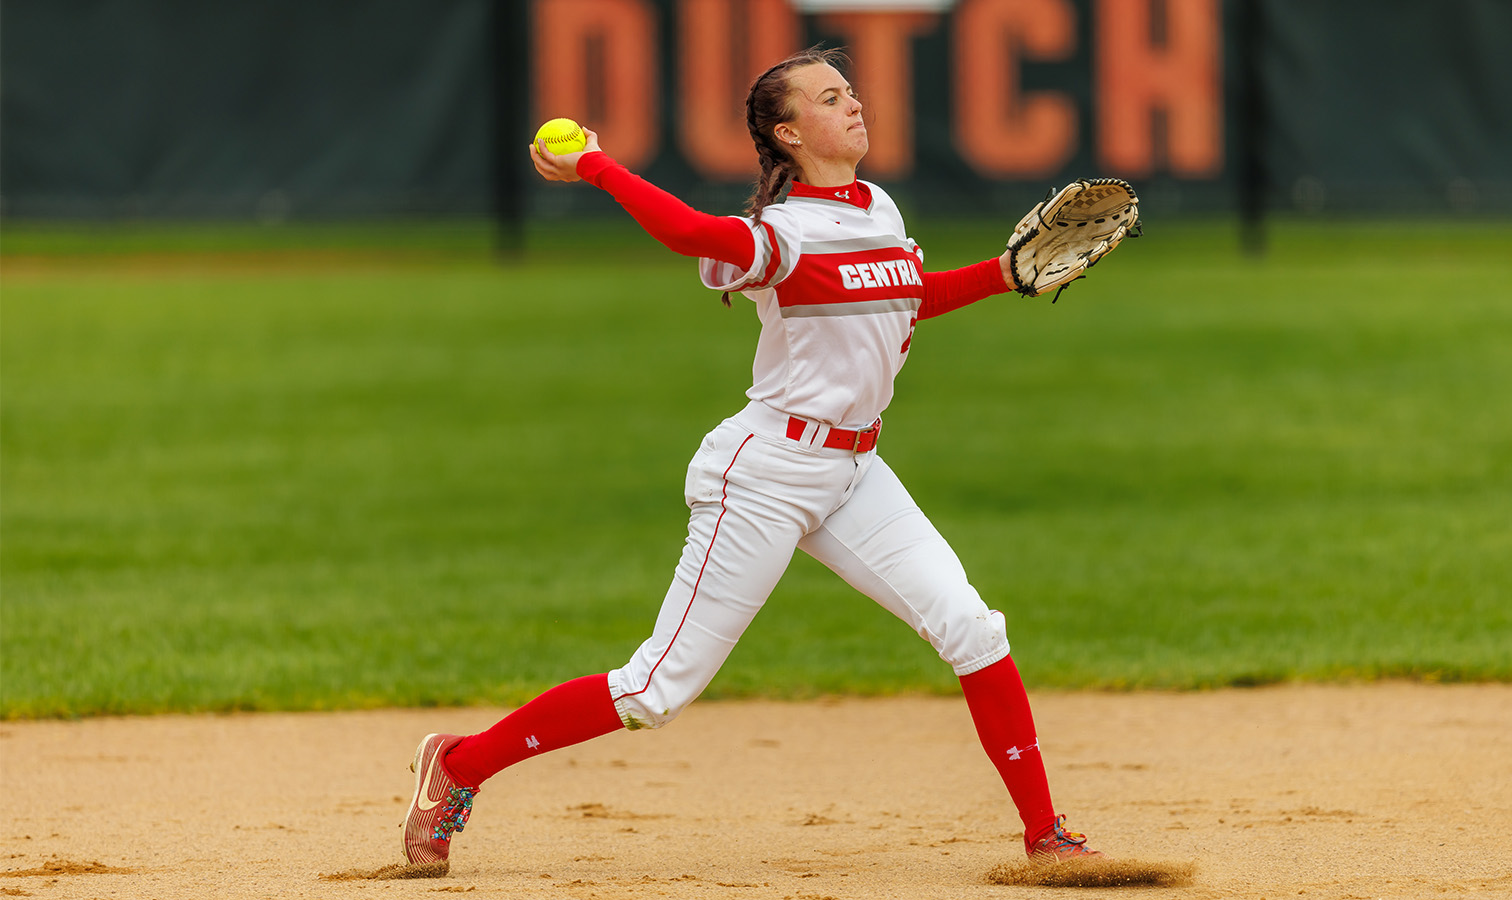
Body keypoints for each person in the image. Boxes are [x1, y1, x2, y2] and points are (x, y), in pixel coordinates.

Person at [402, 47, 1102, 871]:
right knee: (653, 691)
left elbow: (904, 299)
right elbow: (690, 233)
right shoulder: (780, 235)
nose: (854, 107)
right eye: (830, 98)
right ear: (788, 132)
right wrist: (595, 165)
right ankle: (459, 764)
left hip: (856, 471)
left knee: (972, 628)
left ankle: (1045, 837)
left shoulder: (876, 206)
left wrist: (1003, 273)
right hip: (765, 476)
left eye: (850, 93)